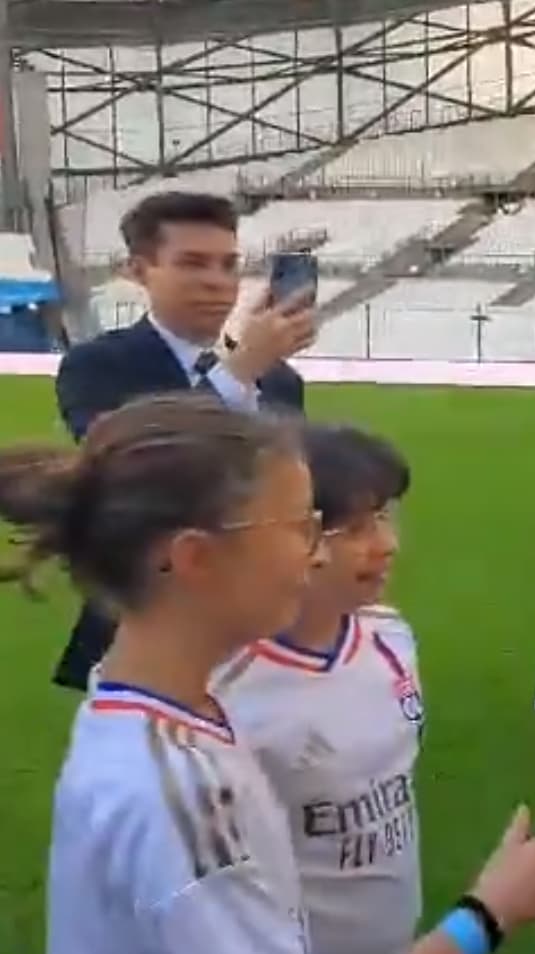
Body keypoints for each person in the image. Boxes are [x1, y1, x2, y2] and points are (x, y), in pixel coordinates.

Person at [0, 393, 535, 954]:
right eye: (297, 528)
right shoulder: (183, 797)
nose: (314, 554)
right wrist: (489, 913)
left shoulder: (151, 718)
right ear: (195, 558)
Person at [49, 190, 314, 691]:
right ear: (139, 270)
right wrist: (237, 373)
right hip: (150, 623)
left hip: (261, 629)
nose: (217, 281)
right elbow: (132, 467)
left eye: (228, 265)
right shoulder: (100, 365)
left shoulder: (280, 381)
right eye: (192, 263)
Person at [212, 424, 424, 954]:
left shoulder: (390, 637)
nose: (387, 545)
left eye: (384, 518)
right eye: (354, 530)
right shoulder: (228, 695)